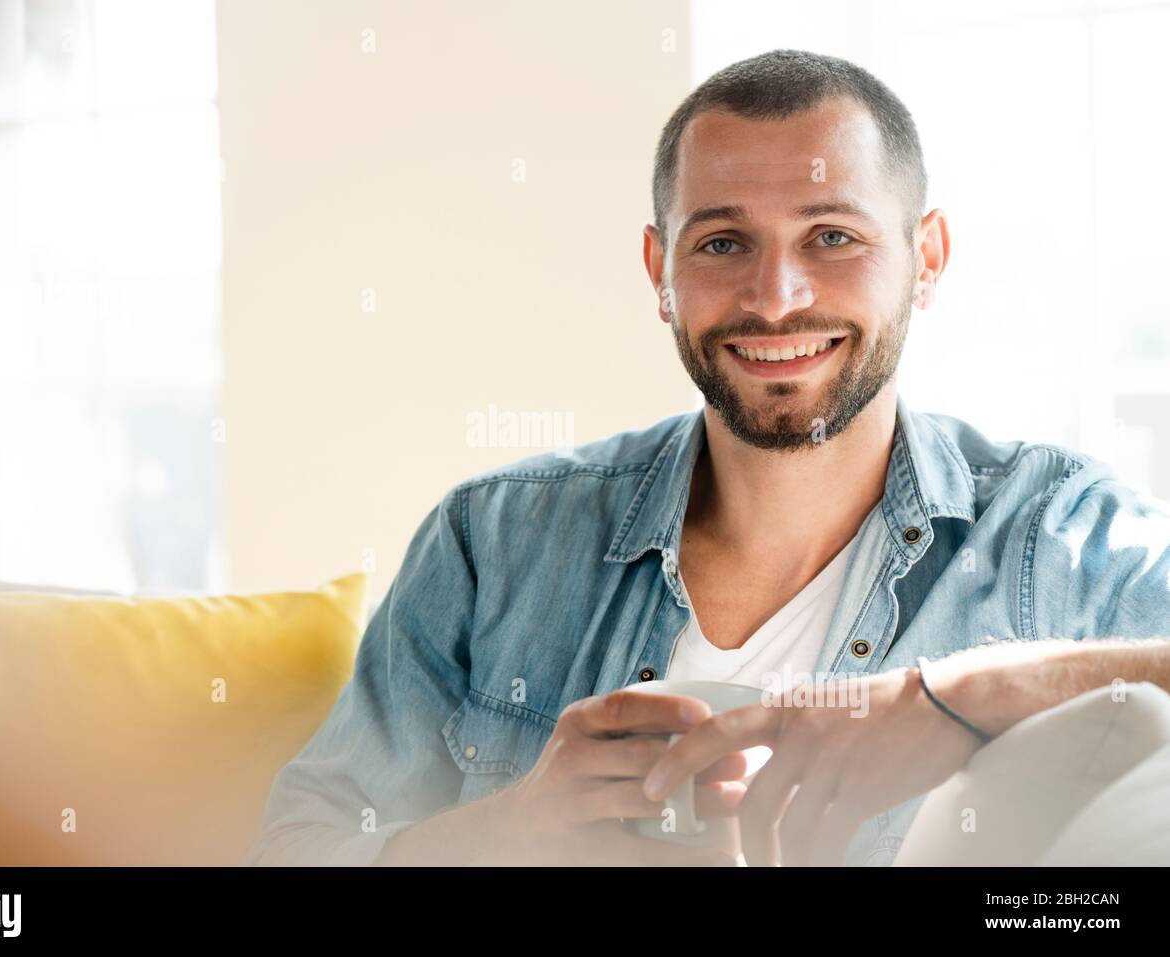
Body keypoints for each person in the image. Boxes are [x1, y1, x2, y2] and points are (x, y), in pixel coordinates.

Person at [248, 49, 1170, 867]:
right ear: (660, 271)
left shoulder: (1055, 536)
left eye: (832, 236)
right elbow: (291, 849)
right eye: (723, 243)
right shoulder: (492, 540)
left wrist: (954, 698)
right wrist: (509, 834)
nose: (774, 299)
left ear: (926, 257)